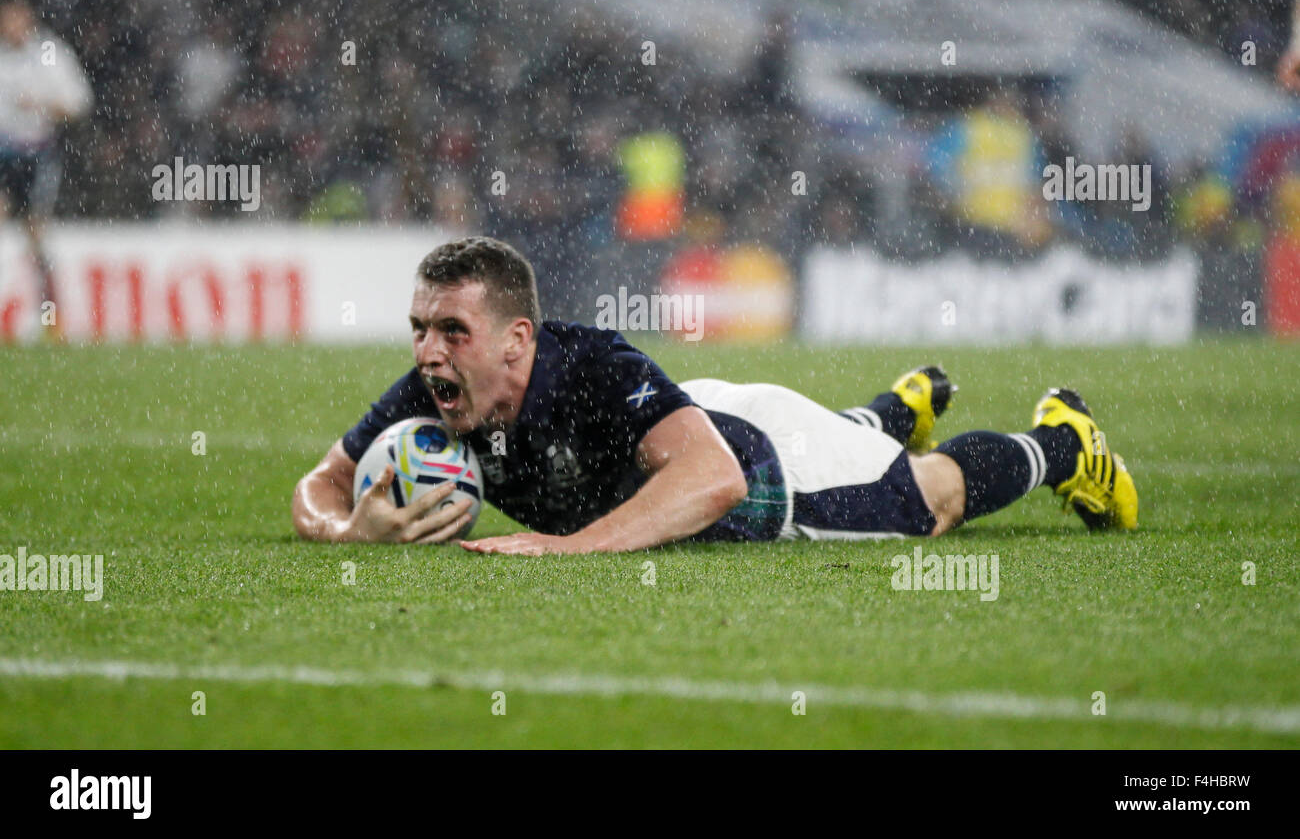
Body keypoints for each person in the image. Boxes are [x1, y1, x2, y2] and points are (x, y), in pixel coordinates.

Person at [292, 237, 1137, 555]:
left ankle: (1064, 442)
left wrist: (566, 547)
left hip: (752, 467)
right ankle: (884, 415)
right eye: (418, 328)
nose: (427, 352)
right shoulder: (433, 387)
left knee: (930, 501)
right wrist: (349, 529)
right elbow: (319, 486)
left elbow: (716, 481)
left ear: (517, 341)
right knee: (834, 438)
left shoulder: (592, 367)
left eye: (451, 332)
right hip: (688, 416)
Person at [0, 0, 93, 332]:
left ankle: (52, 316)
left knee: (36, 233)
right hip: (3, 151)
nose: (11, 27)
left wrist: (41, 104)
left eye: (16, 19)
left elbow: (79, 103)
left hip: (36, 154)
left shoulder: (50, 54)